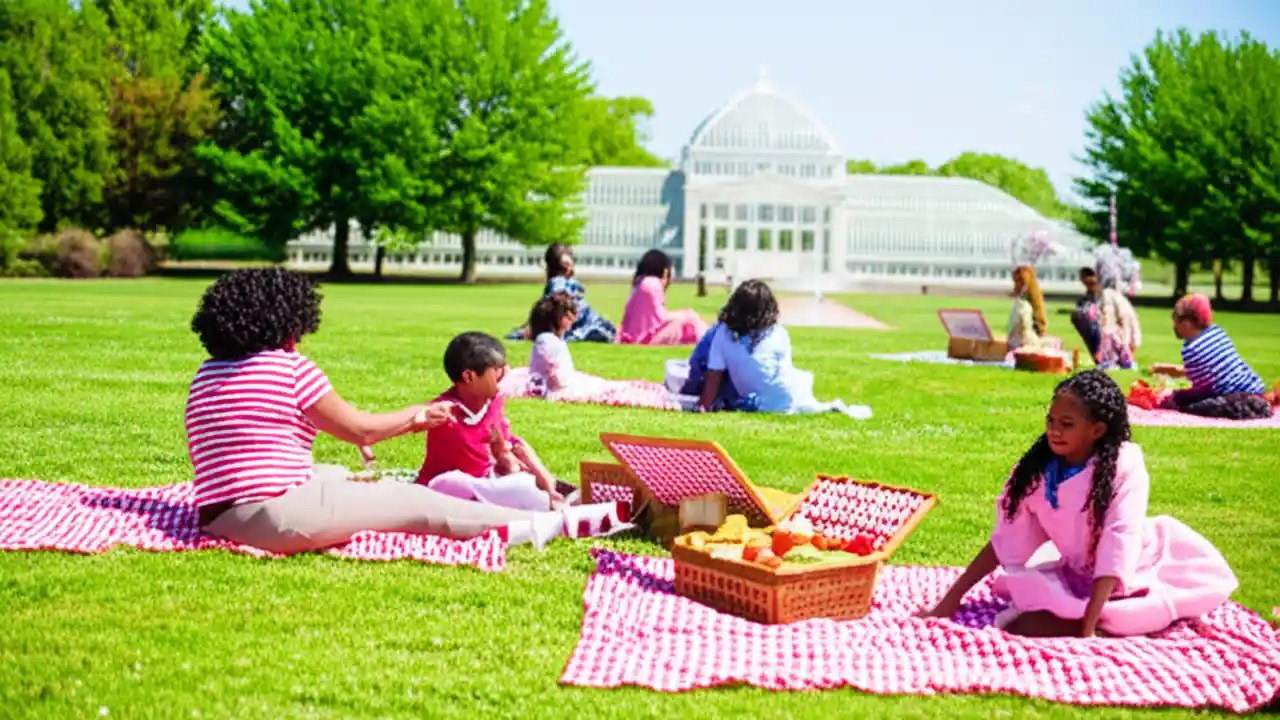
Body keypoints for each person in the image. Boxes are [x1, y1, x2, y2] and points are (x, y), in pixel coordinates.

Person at [187, 269, 567, 554]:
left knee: (335, 473)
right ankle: (541, 523)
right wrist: (420, 415)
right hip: (272, 520)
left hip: (218, 518)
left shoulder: (207, 373)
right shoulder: (289, 369)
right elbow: (361, 430)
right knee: (415, 503)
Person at [919, 370, 1237, 637]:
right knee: (1022, 620)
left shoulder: (1123, 467)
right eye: (1051, 420)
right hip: (1080, 575)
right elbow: (1005, 540)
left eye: (1067, 424)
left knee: (1122, 617)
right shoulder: (1037, 470)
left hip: (1134, 573)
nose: (1054, 431)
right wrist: (951, 600)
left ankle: (1094, 619)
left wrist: (1086, 631)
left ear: (1096, 429)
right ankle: (1083, 617)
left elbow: (1118, 545)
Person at [416, 332, 629, 536]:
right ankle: (564, 511)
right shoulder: (442, 411)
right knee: (452, 482)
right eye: (497, 369)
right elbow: (409, 422)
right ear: (469, 376)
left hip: (490, 485)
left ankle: (559, 502)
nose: (505, 372)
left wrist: (545, 481)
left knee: (518, 484)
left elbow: (511, 445)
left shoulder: (494, 401)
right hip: (448, 490)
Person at [697, 279, 871, 418]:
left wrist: (703, 407)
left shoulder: (723, 333)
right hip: (786, 394)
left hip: (759, 402)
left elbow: (714, 376)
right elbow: (781, 373)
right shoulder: (778, 333)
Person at [1160, 294, 1270, 419]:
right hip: (1256, 390)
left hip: (1237, 400)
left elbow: (1202, 391)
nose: (1174, 324)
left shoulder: (1192, 350)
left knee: (1186, 404)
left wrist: (1176, 396)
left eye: (1175, 318)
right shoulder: (1217, 332)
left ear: (1187, 322)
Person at [506, 243, 616, 343]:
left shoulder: (558, 283)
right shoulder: (567, 284)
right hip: (588, 323)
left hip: (581, 324)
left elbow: (556, 310)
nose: (570, 269)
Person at [619, 249, 709, 345]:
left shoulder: (640, 284)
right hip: (645, 338)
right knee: (689, 322)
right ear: (665, 272)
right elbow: (659, 321)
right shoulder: (652, 284)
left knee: (687, 316)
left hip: (636, 335)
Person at [1007, 265, 1048, 351]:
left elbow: (1039, 326)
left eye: (1018, 281)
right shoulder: (1020, 301)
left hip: (1028, 343)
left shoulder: (1028, 304)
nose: (1016, 284)